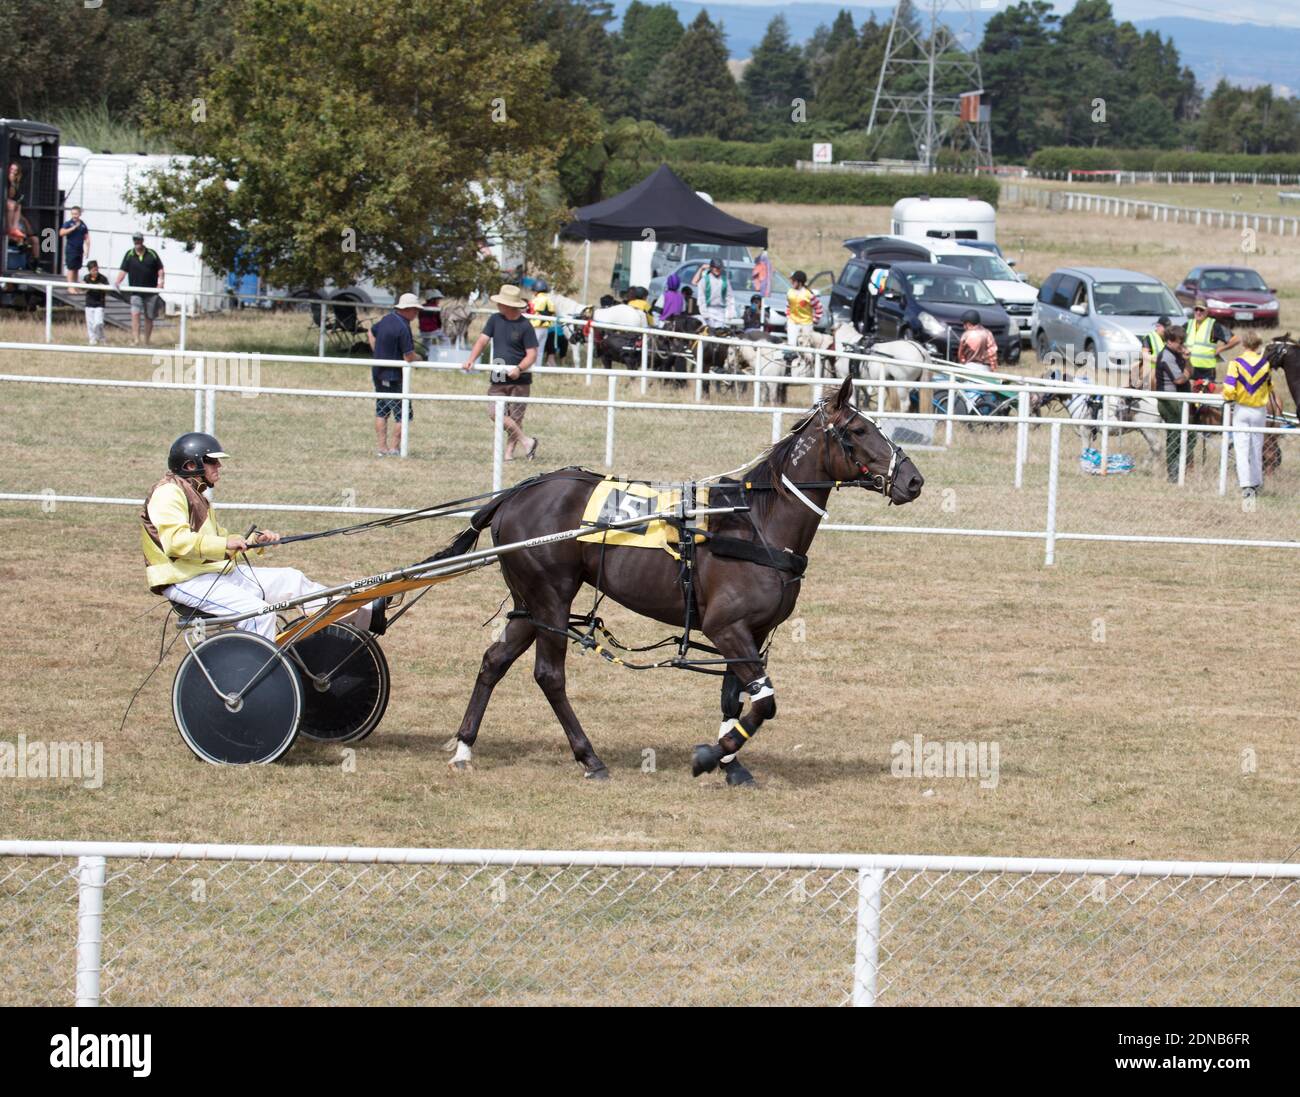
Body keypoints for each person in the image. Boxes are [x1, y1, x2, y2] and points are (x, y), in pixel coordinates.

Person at [141, 432, 384, 640]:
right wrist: (226, 544)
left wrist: (253, 542)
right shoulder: (168, 493)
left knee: (292, 580)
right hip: (185, 581)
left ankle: (367, 614)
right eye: (212, 462)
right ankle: (263, 680)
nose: (219, 467)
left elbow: (215, 538)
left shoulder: (194, 493)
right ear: (191, 465)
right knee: (261, 614)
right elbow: (177, 543)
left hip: (212, 575)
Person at [462, 283, 539, 461]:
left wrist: (519, 368)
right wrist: (471, 359)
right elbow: (482, 341)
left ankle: (509, 453)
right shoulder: (495, 320)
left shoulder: (525, 326)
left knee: (516, 417)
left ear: (510, 305)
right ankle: (527, 442)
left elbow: (532, 354)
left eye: (501, 302)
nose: (498, 305)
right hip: (498, 375)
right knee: (495, 413)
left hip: (520, 379)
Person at [1221, 329, 1282, 501]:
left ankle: (1246, 485)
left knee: (1241, 448)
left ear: (1244, 344)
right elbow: (1270, 387)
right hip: (1259, 411)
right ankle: (1257, 482)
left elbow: (1229, 388)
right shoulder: (1265, 364)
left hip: (1241, 409)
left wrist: (1228, 397)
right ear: (1258, 344)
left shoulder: (1236, 363)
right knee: (1256, 447)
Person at [368, 292, 422, 456]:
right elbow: (409, 356)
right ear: (409, 309)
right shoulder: (403, 327)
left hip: (378, 372)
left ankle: (381, 448)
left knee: (381, 410)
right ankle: (394, 448)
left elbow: (371, 332)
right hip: (394, 377)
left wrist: (376, 352)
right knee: (402, 413)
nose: (416, 314)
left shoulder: (387, 319)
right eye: (415, 310)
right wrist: (420, 358)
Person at [1154, 325, 1193, 483]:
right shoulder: (1167, 356)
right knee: (1175, 436)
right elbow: (1179, 379)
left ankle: (1181, 469)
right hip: (1170, 401)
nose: (1182, 346)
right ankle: (1173, 473)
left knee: (1190, 435)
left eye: (1183, 342)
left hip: (1180, 400)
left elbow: (1190, 372)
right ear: (1169, 341)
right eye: (1179, 342)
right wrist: (1188, 373)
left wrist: (1188, 361)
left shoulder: (1178, 355)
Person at [113, 233, 165, 345]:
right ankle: (136, 340)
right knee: (135, 314)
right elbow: (123, 270)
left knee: (149, 316)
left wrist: (160, 282)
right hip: (136, 291)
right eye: (135, 240)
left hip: (150, 292)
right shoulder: (129, 254)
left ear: (142, 240)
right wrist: (117, 281)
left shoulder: (152, 254)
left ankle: (147, 341)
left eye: (139, 240)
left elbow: (160, 269)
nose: (137, 242)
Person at [1186, 298, 1239, 384]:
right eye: (1196, 309)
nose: (1198, 312)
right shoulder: (1188, 324)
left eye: (1201, 310)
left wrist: (1220, 349)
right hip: (1189, 368)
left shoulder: (1213, 325)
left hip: (1206, 370)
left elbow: (1236, 339)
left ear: (1207, 311)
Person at [530, 279, 568, 366]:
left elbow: (530, 311)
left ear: (536, 291)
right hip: (545, 329)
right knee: (540, 351)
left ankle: (531, 369)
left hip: (535, 328)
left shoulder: (535, 300)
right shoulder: (550, 301)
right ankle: (538, 371)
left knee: (532, 350)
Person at [693, 257, 730, 329]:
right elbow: (694, 282)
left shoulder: (724, 281)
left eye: (719, 268)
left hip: (720, 312)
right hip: (708, 310)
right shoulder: (705, 279)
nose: (718, 270)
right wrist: (701, 269)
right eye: (716, 268)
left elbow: (728, 297)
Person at [59, 206, 90, 292]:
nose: (74, 216)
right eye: (73, 214)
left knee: (76, 268)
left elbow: (87, 237)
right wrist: (73, 228)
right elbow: (61, 232)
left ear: (79, 214)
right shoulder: (68, 223)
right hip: (71, 248)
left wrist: (87, 250)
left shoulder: (83, 224)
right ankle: (70, 287)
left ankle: (75, 286)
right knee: (71, 268)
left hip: (79, 249)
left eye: (76, 214)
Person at [786, 270, 817, 348]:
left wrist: (815, 320)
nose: (791, 282)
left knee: (805, 346)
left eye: (793, 281)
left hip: (806, 323)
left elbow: (818, 308)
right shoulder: (790, 292)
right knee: (791, 344)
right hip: (793, 322)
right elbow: (788, 306)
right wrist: (788, 318)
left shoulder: (808, 295)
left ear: (799, 282)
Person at [1137, 315, 1168, 389]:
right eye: (1165, 328)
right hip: (1151, 371)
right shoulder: (1149, 337)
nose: (1167, 330)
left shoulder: (1169, 338)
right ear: (1158, 326)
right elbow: (1144, 354)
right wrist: (1158, 360)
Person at [82, 259, 109, 345]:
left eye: (96, 269)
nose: (95, 271)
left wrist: (102, 286)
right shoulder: (86, 278)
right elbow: (82, 288)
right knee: (90, 324)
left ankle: (101, 337)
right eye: (93, 270)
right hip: (89, 303)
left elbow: (108, 289)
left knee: (98, 322)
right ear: (89, 270)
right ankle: (92, 339)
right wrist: (84, 285)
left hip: (99, 304)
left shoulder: (103, 278)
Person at [417, 288, 444, 360]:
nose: (439, 301)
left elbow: (419, 318)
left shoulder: (422, 307)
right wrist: (440, 327)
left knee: (426, 342)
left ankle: (426, 355)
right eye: (438, 299)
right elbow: (439, 322)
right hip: (433, 331)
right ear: (433, 299)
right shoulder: (436, 308)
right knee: (446, 339)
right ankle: (445, 352)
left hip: (423, 331)